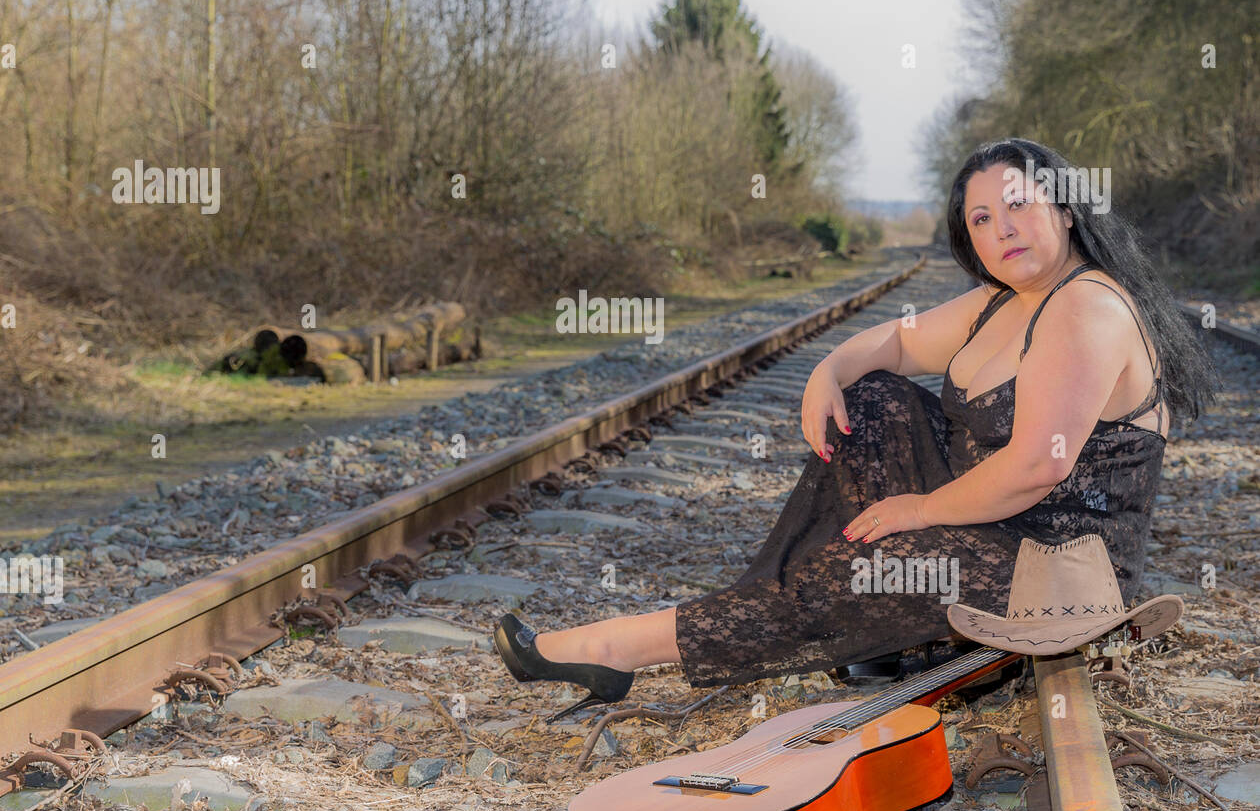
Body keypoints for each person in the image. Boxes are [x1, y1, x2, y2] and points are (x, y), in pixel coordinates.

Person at [493, 138, 1217, 718]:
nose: (1003, 230)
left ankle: (618, 648)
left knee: (861, 568)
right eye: (982, 221)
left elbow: (1037, 465)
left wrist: (920, 511)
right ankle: (879, 620)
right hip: (996, 531)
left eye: (1018, 206)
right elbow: (899, 342)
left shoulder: (1085, 307)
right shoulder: (1003, 301)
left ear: (1062, 209)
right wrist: (828, 371)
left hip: (1054, 569)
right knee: (872, 399)